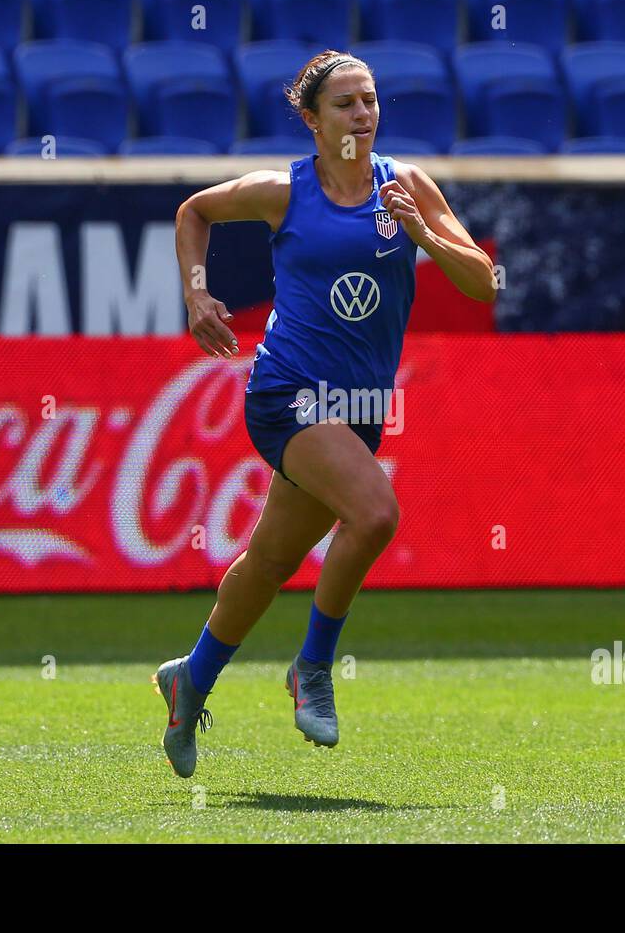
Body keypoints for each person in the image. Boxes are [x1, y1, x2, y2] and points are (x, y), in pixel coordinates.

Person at [155, 50, 496, 777]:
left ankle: (194, 675)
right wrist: (196, 294)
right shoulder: (285, 191)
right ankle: (312, 668)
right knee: (374, 513)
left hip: (358, 409)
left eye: (370, 100)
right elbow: (194, 213)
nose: (363, 114)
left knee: (273, 560)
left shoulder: (404, 185)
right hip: (285, 394)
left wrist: (426, 235)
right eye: (345, 104)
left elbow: (483, 284)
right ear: (311, 121)